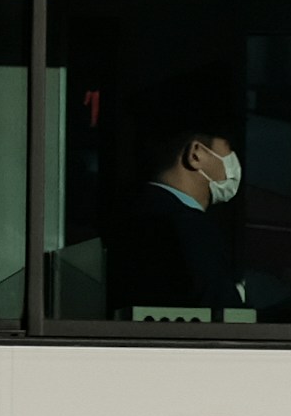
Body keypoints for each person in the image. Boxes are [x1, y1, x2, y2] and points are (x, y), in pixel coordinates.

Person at [106, 118, 252, 317]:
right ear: (195, 154)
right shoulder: (190, 227)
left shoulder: (126, 215)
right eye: (229, 149)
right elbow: (226, 318)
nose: (235, 162)